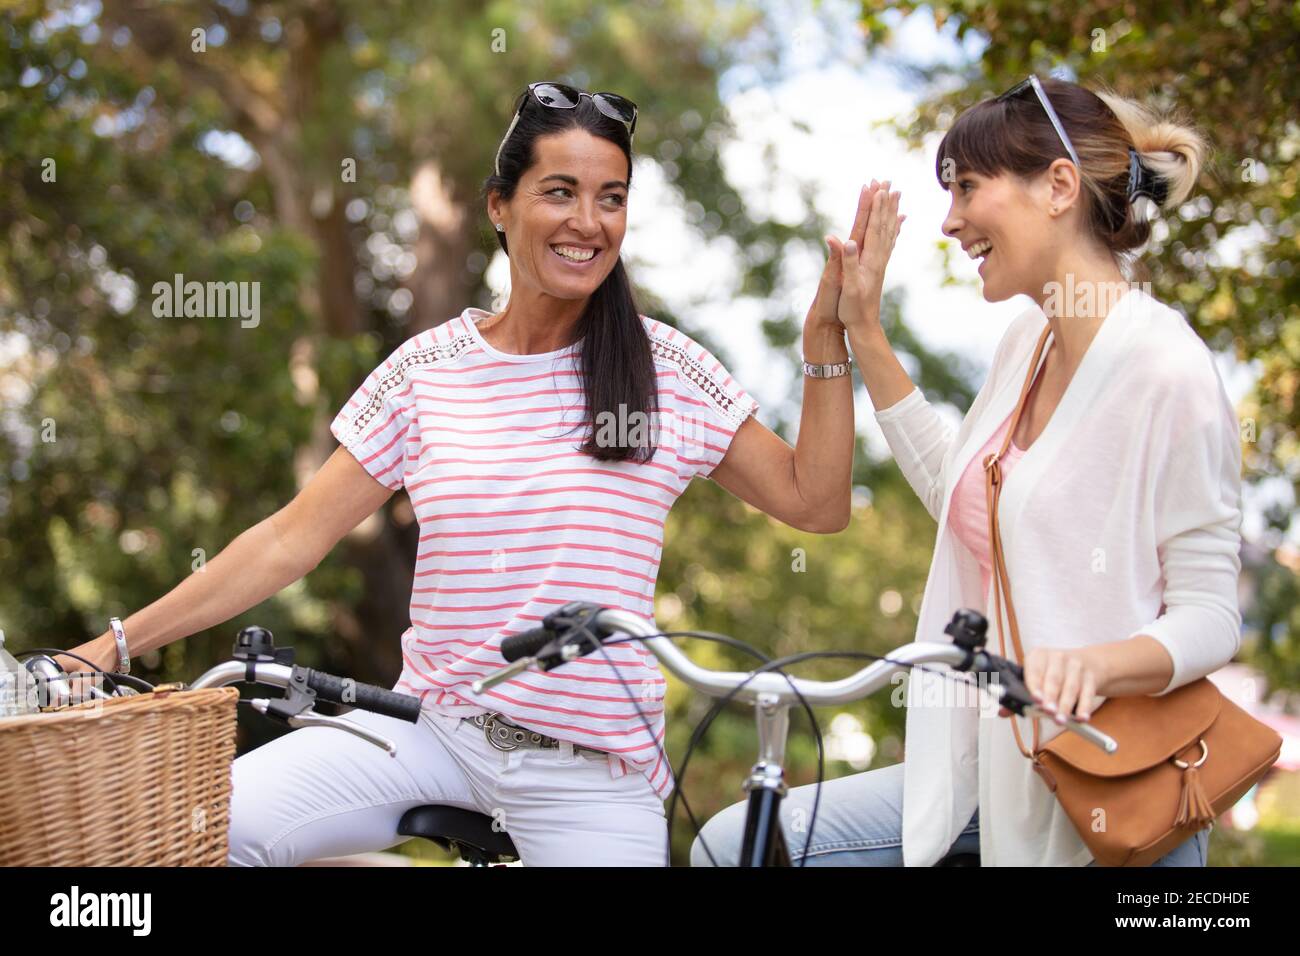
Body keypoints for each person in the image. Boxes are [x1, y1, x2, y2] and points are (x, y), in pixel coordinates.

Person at [57, 81, 902, 866]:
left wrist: (829, 341)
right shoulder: (428, 369)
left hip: (594, 773)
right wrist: (110, 647)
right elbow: (289, 539)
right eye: (560, 192)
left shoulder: (666, 369)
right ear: (500, 207)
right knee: (209, 830)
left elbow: (817, 503)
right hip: (431, 730)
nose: (589, 221)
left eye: (612, 198)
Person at [693, 76, 1238, 867]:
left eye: (969, 188)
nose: (949, 222)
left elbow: (1212, 615)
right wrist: (863, 330)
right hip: (997, 766)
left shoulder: (1167, 370)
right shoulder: (1029, 344)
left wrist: (1097, 663)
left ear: (1057, 186)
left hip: (1110, 793)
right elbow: (967, 497)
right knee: (736, 843)